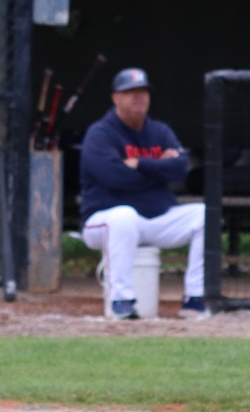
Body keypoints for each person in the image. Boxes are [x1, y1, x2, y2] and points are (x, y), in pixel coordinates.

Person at [78, 67, 208, 321]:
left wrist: (139, 163)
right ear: (115, 98)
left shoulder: (159, 131)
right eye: (130, 93)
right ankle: (121, 301)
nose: (138, 97)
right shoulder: (100, 134)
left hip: (153, 218)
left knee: (205, 215)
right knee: (124, 217)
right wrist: (160, 168)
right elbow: (114, 176)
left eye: (143, 92)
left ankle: (195, 297)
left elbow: (181, 168)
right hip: (102, 222)